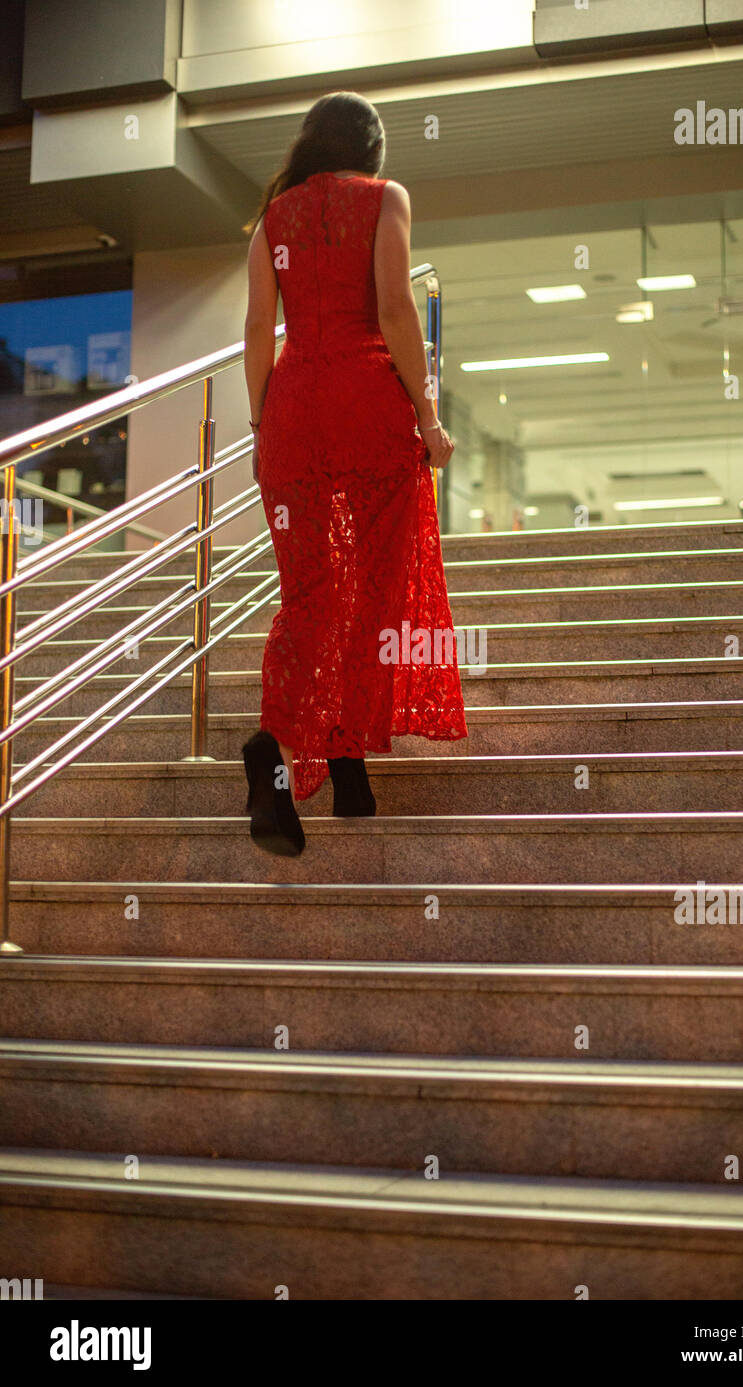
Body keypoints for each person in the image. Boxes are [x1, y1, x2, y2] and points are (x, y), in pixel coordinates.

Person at [241, 91, 468, 856]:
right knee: (373, 591)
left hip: (295, 414)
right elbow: (398, 310)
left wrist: (260, 426)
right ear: (371, 150)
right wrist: (430, 420)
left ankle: (310, 758)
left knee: (310, 595)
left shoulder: (276, 217)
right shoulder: (384, 199)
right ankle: (346, 760)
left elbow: (256, 331)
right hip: (370, 410)